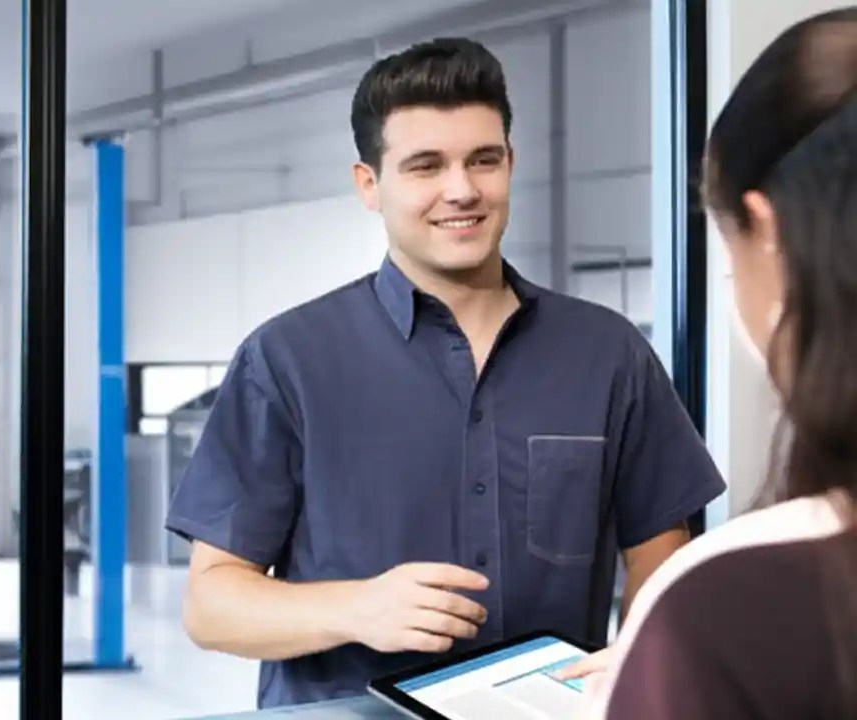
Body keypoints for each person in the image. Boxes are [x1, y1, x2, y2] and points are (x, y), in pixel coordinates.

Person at [165, 37, 726, 710]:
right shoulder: (286, 359)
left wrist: (636, 671)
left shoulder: (609, 354)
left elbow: (659, 554)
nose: (461, 190)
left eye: (483, 160)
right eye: (426, 166)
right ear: (369, 184)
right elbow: (211, 602)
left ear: (510, 164)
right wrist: (356, 609)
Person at [569, 8, 857, 719]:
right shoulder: (285, 358)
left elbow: (661, 541)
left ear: (770, 232)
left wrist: (662, 674)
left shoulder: (733, 605)